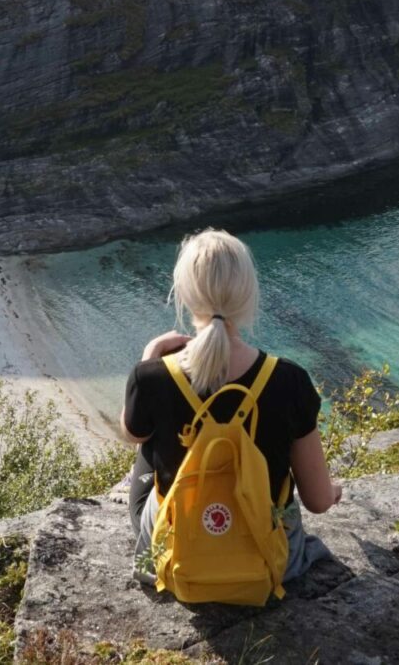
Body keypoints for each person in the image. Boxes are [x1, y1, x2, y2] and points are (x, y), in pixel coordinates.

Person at [119, 228, 338, 586]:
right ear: (248, 295)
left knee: (148, 442)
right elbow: (317, 501)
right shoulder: (290, 381)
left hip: (173, 559)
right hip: (269, 564)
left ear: (186, 297)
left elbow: (131, 432)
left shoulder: (153, 378)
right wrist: (333, 493)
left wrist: (145, 364)